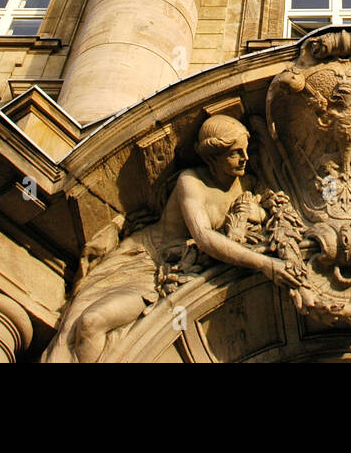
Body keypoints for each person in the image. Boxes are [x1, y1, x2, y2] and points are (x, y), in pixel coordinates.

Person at [47, 116, 299, 363]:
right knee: (83, 326)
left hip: (174, 272)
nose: (245, 158)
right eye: (235, 153)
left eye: (245, 150)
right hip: (144, 263)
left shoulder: (249, 185)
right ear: (213, 157)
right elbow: (204, 238)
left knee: (92, 322)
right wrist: (265, 264)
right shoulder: (191, 182)